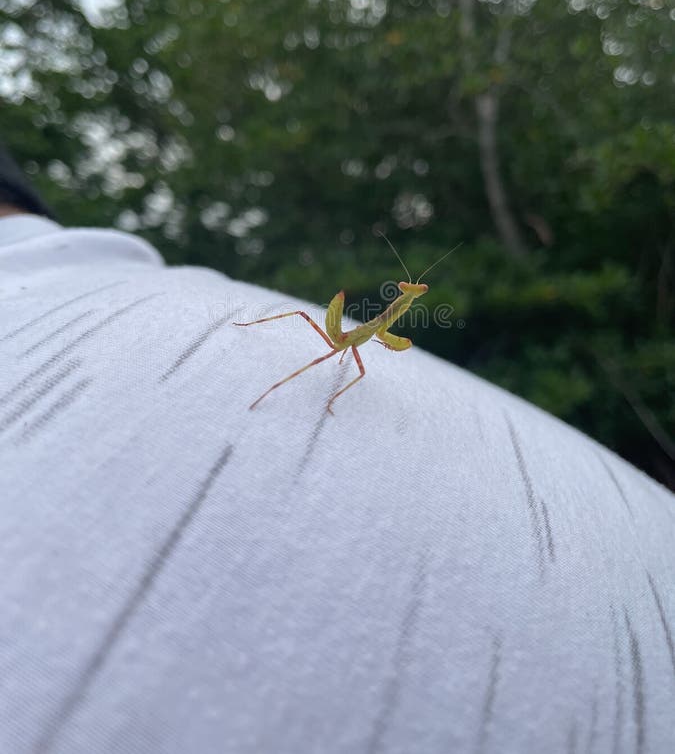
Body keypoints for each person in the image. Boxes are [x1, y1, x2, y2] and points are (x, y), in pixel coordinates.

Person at [0, 144, 673, 754]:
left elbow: (384, 343)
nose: (411, 294)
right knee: (318, 344)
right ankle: (281, 362)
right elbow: (367, 342)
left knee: (352, 362)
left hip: (350, 340)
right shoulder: (362, 325)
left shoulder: (386, 325)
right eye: (411, 289)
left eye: (416, 293)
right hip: (333, 334)